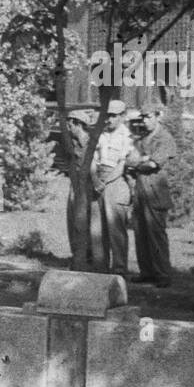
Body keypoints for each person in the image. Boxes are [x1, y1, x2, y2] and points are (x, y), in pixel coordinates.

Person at [126, 108, 177, 287]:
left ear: (158, 116)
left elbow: (153, 164)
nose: (145, 121)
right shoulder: (142, 138)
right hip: (140, 190)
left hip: (155, 191)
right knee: (141, 233)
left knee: (156, 234)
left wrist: (139, 162)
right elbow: (130, 160)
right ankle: (146, 271)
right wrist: (142, 160)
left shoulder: (164, 138)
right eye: (143, 118)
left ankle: (163, 274)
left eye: (148, 117)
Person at [89, 99, 135, 276]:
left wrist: (105, 182)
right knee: (96, 229)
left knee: (116, 229)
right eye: (107, 115)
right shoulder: (100, 133)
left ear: (123, 116)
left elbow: (122, 164)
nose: (109, 119)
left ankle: (119, 270)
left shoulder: (126, 136)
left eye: (114, 116)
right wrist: (95, 180)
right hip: (97, 179)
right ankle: (99, 268)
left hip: (116, 181)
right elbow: (93, 158)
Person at [63, 109, 96, 269]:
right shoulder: (73, 143)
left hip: (87, 186)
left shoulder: (90, 143)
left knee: (86, 220)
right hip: (74, 186)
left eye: (70, 124)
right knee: (72, 220)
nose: (68, 127)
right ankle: (77, 255)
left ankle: (87, 257)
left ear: (78, 124)